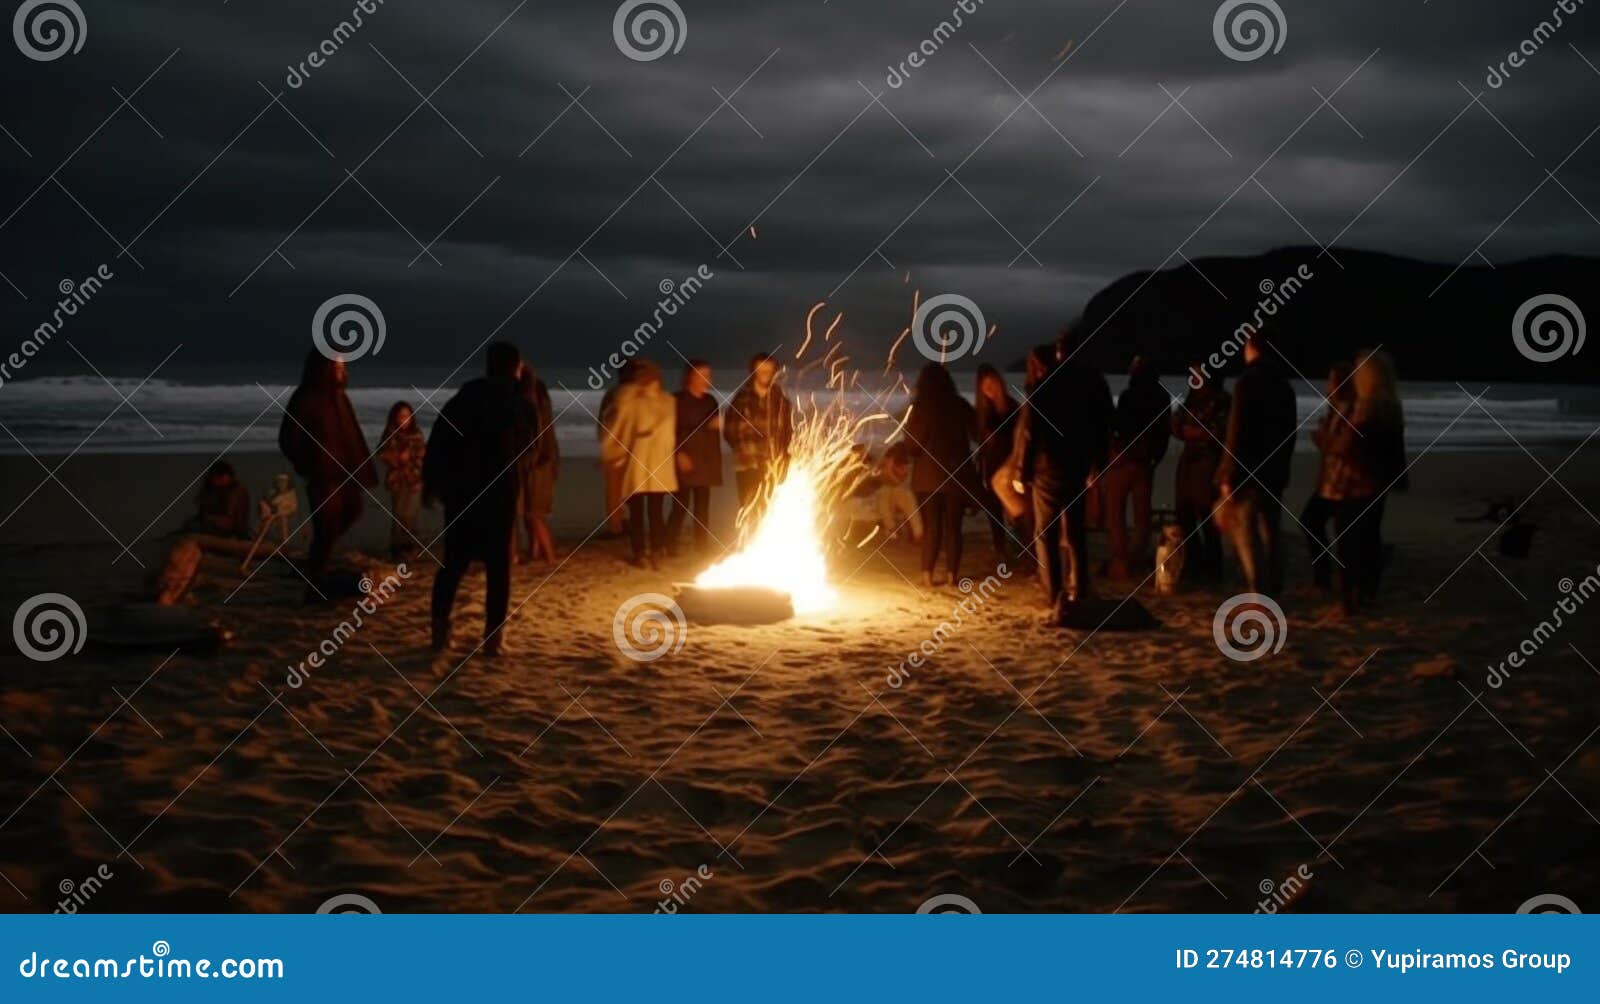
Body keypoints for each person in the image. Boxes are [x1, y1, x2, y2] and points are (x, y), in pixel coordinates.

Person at [424, 342, 535, 656]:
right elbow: (530, 447)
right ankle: (493, 638)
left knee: (453, 564)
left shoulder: (464, 399)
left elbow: (439, 442)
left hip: (462, 494)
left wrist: (432, 483)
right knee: (499, 568)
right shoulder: (520, 404)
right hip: (500, 496)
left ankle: (440, 632)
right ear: (515, 367)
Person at [1021, 331, 1113, 608]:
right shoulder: (1094, 381)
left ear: (1059, 352)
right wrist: (1098, 464)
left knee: (1045, 532)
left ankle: (1054, 593)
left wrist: (1024, 470)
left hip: (1047, 467)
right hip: (1078, 464)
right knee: (1074, 531)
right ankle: (1081, 590)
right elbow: (1105, 424)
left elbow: (1030, 432)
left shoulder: (1045, 384)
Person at [278, 349, 376, 582]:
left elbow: (351, 435)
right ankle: (317, 573)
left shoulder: (340, 397)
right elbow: (288, 438)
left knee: (353, 511)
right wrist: (309, 464)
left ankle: (317, 562)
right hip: (323, 477)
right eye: (338, 367)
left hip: (346, 474)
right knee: (326, 525)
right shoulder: (305, 397)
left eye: (343, 367)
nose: (343, 371)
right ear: (324, 368)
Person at [1215, 328, 1298, 595]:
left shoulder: (1247, 382)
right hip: (1275, 469)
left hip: (1249, 470)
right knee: (1271, 531)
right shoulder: (1285, 386)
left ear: (1251, 347)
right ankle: (1274, 586)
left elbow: (1236, 431)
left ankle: (1256, 589)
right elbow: (1290, 432)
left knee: (1247, 533)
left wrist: (1227, 473)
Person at [1325, 349, 1407, 612]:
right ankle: (1366, 590)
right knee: (1368, 535)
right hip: (1378, 481)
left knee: (1347, 536)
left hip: (1356, 481)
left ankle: (1350, 595)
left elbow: (1348, 447)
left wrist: (1327, 443)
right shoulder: (1392, 406)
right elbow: (1394, 449)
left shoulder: (1365, 407)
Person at [903, 362, 978, 588]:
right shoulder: (960, 405)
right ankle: (951, 576)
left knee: (932, 527)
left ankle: (927, 575)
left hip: (927, 478)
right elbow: (977, 434)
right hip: (956, 475)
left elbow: (912, 447)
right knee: (954, 528)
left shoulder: (920, 407)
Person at [1101, 357, 1171, 581]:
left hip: (1123, 460)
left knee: (1116, 514)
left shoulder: (1128, 396)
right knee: (1142, 516)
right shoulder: (1161, 398)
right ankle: (1135, 560)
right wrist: (1154, 459)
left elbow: (1117, 426)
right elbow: (1164, 433)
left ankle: (1122, 560)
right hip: (1144, 462)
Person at [604, 359, 678, 568]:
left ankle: (655, 549)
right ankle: (640, 551)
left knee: (655, 511)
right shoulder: (630, 398)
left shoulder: (667, 400)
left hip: (658, 463)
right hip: (636, 462)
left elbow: (668, 430)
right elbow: (617, 423)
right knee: (636, 511)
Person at [1170, 362, 1231, 583]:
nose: (1194, 379)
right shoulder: (1191, 399)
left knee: (1207, 517)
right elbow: (1175, 423)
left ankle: (1213, 569)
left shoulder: (1222, 399)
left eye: (1198, 374)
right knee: (1184, 514)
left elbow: (1219, 431)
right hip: (1189, 462)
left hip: (1208, 463)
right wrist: (1188, 431)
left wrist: (1197, 432)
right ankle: (1193, 563)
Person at [1301, 363, 1354, 590]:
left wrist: (1323, 440)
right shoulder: (1335, 408)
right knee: (1312, 522)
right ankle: (1324, 576)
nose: (1329, 386)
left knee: (1318, 523)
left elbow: (1344, 446)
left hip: (1343, 482)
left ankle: (1329, 578)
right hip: (1330, 481)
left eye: (1333, 381)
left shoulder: (1350, 410)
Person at [724, 352, 793, 513]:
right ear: (754, 372)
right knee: (749, 510)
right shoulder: (741, 399)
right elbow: (730, 431)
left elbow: (787, 433)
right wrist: (746, 453)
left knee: (770, 510)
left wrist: (783, 457)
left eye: (769, 371)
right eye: (762, 371)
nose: (766, 375)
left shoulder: (781, 400)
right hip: (748, 465)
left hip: (773, 465)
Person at [667, 359, 722, 554]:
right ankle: (670, 544)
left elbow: (712, 431)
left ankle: (702, 546)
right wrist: (678, 454)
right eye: (702, 375)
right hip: (685, 457)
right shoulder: (677, 400)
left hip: (705, 460)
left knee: (702, 507)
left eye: (708, 375)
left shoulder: (710, 401)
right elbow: (671, 431)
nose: (706, 379)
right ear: (690, 376)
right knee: (680, 505)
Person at [973, 364, 1021, 558]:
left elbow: (1019, 438)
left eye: (992, 384)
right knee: (994, 509)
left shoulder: (1013, 407)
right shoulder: (983, 411)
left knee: (1015, 509)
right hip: (991, 465)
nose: (990, 390)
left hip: (1010, 464)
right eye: (985, 387)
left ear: (999, 383)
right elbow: (978, 438)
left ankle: (1022, 546)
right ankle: (1000, 547)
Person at [516, 365, 559, 565]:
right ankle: (536, 552)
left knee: (532, 514)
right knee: (532, 513)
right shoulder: (543, 411)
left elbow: (532, 440)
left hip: (535, 465)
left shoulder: (530, 410)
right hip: (543, 464)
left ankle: (549, 557)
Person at [378, 402, 426, 561]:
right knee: (399, 515)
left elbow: (423, 455)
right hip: (397, 481)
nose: (404, 419)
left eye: (407, 416)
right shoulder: (390, 435)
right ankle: (398, 551)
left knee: (411, 515)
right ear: (394, 418)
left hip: (414, 480)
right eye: (401, 416)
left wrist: (411, 456)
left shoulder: (417, 435)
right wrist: (397, 458)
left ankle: (411, 549)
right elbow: (382, 454)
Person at [597, 362, 637, 538]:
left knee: (615, 492)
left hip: (617, 450)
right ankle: (625, 523)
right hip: (632, 450)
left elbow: (603, 423)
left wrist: (605, 448)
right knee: (630, 490)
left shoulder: (614, 394)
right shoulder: (635, 395)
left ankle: (617, 525)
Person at [185, 460, 252, 537]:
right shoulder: (211, 491)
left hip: (230, 531)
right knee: (191, 525)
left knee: (193, 526)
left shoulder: (237, 491)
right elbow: (203, 510)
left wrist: (212, 519)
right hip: (212, 526)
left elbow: (233, 520)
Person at [876, 442, 922, 543]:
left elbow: (901, 479)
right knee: (885, 503)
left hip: (899, 489)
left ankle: (917, 533)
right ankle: (893, 529)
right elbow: (880, 472)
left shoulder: (906, 462)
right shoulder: (889, 459)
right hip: (889, 488)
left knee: (909, 505)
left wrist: (892, 472)